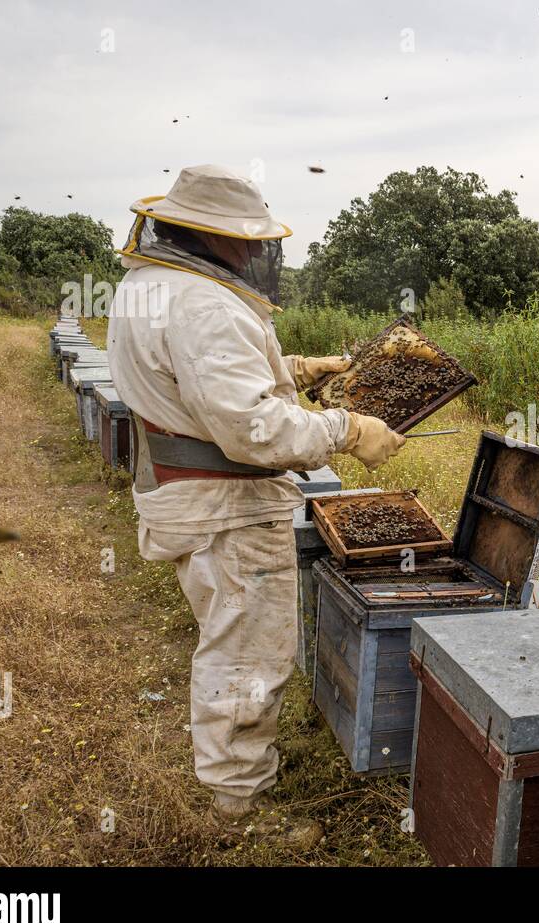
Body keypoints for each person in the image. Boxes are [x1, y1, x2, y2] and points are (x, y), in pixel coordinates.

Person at [106, 165, 404, 848]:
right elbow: (255, 429)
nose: (253, 253)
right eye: (245, 240)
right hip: (227, 507)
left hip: (192, 498)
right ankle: (239, 804)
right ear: (211, 237)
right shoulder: (205, 306)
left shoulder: (150, 287)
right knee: (245, 653)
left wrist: (294, 370)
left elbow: (195, 383)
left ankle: (235, 775)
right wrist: (348, 430)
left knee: (230, 634)